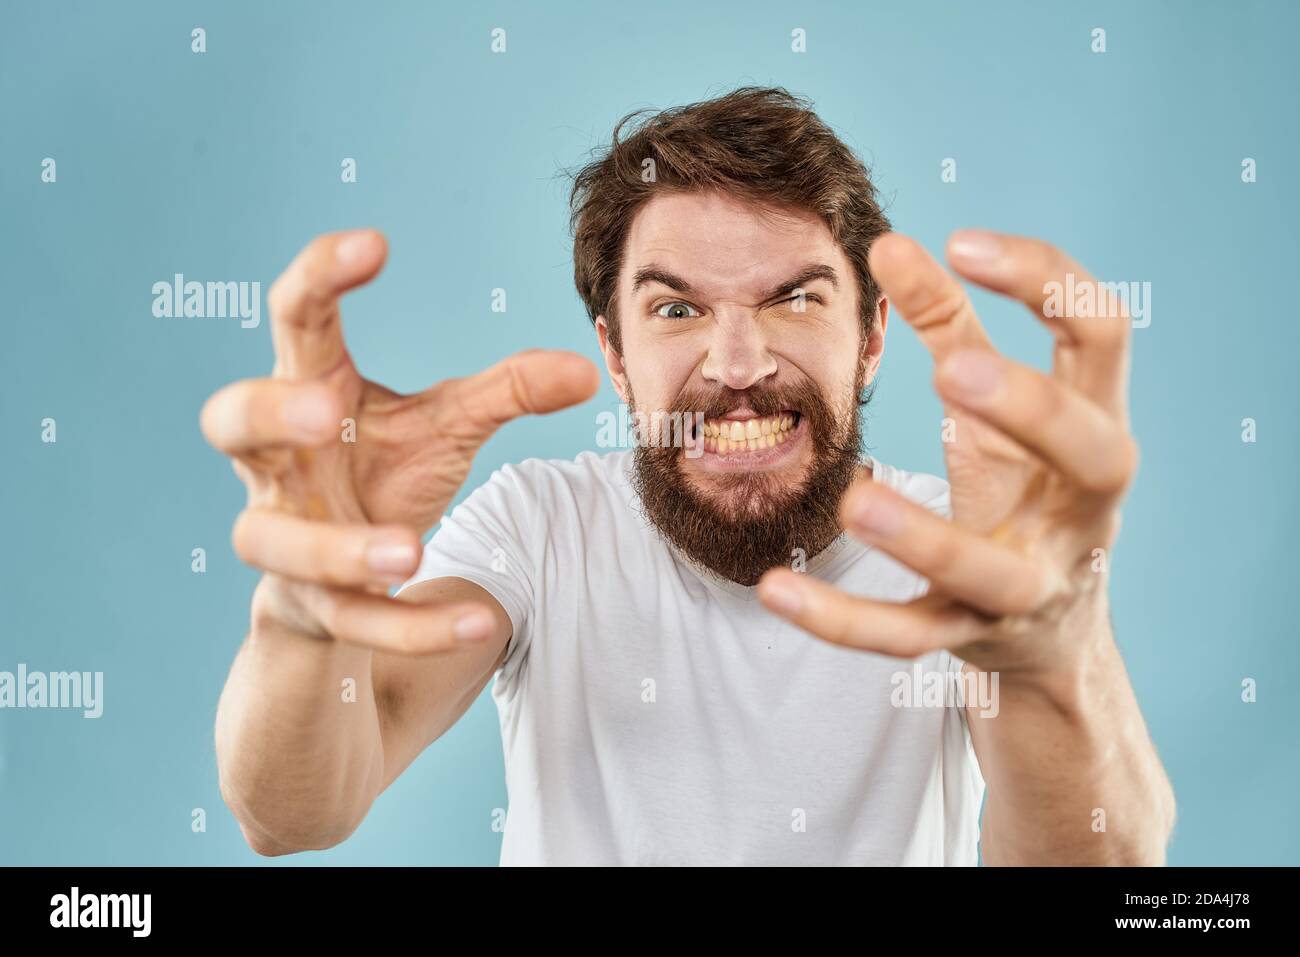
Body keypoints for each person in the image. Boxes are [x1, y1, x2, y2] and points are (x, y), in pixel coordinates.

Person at [203, 87, 1174, 865]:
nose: (738, 363)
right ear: (615, 354)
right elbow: (292, 817)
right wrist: (299, 613)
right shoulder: (541, 527)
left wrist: (1054, 659)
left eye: (794, 298)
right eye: (676, 311)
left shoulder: (963, 555)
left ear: (872, 338)